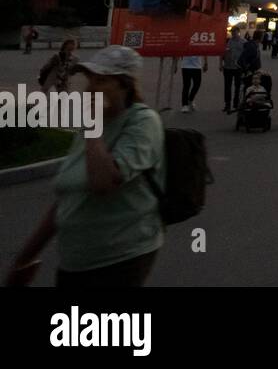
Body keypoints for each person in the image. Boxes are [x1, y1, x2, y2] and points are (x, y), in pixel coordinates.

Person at [6, 46, 164, 287]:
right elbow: (68, 197)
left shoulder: (142, 122)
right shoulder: (94, 126)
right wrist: (26, 256)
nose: (90, 88)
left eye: (101, 80)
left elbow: (103, 183)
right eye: (89, 79)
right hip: (76, 260)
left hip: (119, 259)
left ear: (125, 85)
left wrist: (93, 126)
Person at [221, 30, 243, 113]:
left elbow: (245, 54)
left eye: (235, 32)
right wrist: (221, 63)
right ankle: (227, 104)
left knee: (238, 87)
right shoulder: (227, 42)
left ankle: (236, 104)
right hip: (228, 67)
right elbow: (222, 52)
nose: (233, 34)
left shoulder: (243, 42)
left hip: (238, 68)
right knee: (227, 87)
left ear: (238, 32)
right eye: (232, 32)